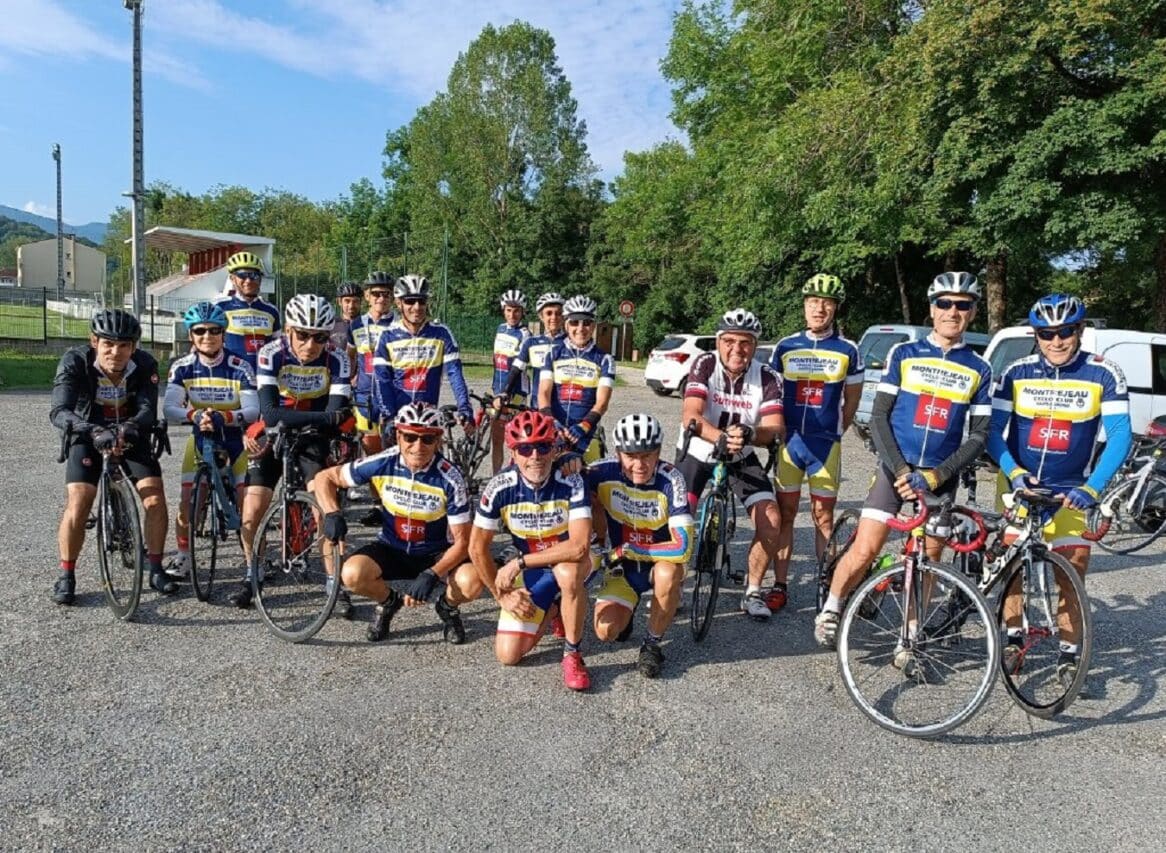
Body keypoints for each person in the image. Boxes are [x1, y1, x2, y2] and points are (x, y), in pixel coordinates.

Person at [814, 272, 993, 654]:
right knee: (866, 548)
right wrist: (900, 471)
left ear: (973, 312)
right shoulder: (905, 354)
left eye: (962, 305)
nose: (952, 311)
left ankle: (910, 634)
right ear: (932, 309)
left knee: (928, 559)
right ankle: (831, 608)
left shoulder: (980, 368)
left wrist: (936, 476)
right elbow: (878, 417)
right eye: (945, 303)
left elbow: (978, 436)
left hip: (939, 477)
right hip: (894, 469)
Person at [987, 293, 1131, 683]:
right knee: (1013, 566)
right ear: (1035, 334)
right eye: (1046, 333)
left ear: (1079, 331)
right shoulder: (1016, 373)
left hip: (1072, 489)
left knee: (1071, 571)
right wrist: (1013, 471)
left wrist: (1095, 487)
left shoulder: (1104, 373)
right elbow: (992, 434)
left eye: (1065, 331)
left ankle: (1069, 655)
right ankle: (1013, 637)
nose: (1056, 341)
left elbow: (1119, 434)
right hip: (1021, 484)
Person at [314, 403, 483, 644]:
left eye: (427, 439)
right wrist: (332, 513)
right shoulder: (384, 462)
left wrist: (432, 574)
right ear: (398, 436)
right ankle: (388, 602)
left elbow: (464, 541)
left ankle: (448, 608)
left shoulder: (450, 478)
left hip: (435, 553)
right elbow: (325, 478)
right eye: (410, 437)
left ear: (439, 440)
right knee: (351, 574)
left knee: (471, 581)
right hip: (392, 548)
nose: (417, 446)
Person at [230, 293, 353, 608]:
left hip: (313, 439)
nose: (310, 345)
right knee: (252, 510)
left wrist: (325, 419)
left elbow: (339, 414)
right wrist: (324, 416)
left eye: (320, 337)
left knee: (324, 509)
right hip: (273, 435)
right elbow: (271, 413)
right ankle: (250, 572)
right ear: (288, 330)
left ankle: (333, 583)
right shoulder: (271, 353)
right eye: (303, 335)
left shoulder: (337, 358)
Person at [49, 308, 175, 603]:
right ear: (95, 341)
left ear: (134, 347)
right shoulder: (75, 362)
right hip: (87, 433)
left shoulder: (144, 364)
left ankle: (156, 568)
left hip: (130, 433)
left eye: (123, 345)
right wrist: (92, 431)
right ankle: (67, 574)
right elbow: (60, 410)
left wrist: (129, 428)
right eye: (108, 344)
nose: (115, 352)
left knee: (155, 499)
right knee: (79, 503)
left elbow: (147, 409)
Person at [469, 411, 593, 691]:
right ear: (513, 453)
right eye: (525, 448)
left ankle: (572, 653)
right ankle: (555, 608)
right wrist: (502, 596)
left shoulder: (570, 479)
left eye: (543, 446)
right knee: (508, 655)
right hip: (535, 569)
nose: (534, 455)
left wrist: (519, 563)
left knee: (567, 571)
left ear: (554, 448)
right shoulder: (501, 486)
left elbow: (579, 547)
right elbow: (476, 548)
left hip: (573, 562)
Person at [675, 308, 786, 621]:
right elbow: (691, 415)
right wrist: (719, 436)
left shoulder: (767, 377)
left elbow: (775, 427)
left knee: (771, 520)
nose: (737, 349)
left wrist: (751, 433)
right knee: (680, 518)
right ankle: (676, 584)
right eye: (730, 341)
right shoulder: (704, 364)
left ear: (754, 346)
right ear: (719, 341)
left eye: (746, 342)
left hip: (740, 453)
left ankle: (752, 591)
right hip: (699, 450)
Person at [768, 273, 863, 612]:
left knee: (824, 517)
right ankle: (780, 584)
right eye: (812, 302)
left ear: (835, 308)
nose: (818, 309)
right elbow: (771, 394)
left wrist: (836, 429)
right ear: (804, 307)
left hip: (825, 444)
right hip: (790, 442)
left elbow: (852, 401)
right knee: (787, 515)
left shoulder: (848, 349)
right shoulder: (786, 346)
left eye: (826, 303)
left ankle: (828, 584)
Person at [586, 413, 693, 678]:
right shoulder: (602, 471)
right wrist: (567, 461)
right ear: (619, 453)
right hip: (623, 568)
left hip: (659, 562)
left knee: (669, 573)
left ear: (658, 452)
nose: (639, 464)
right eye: (631, 456)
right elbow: (562, 483)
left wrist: (634, 550)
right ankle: (629, 606)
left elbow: (683, 547)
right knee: (607, 632)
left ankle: (652, 644)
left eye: (647, 455)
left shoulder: (672, 479)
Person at [162, 302, 258, 579]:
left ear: (223, 334)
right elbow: (170, 409)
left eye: (214, 330)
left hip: (234, 440)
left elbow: (253, 410)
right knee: (188, 501)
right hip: (200, 437)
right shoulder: (182, 367)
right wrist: (194, 415)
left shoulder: (239, 366)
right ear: (191, 335)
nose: (207, 336)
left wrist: (225, 417)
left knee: (247, 505)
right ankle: (183, 556)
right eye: (200, 330)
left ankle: (254, 561)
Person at [371, 274, 473, 431]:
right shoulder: (387, 336)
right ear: (399, 303)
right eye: (410, 301)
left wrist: (464, 408)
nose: (417, 307)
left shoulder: (441, 333)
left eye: (422, 301)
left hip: (429, 416)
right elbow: (382, 380)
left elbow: (455, 373)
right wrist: (389, 415)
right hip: (399, 417)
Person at [537, 295, 615, 465]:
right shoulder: (552, 354)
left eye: (586, 322)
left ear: (593, 325)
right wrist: (551, 422)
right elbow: (543, 393)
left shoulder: (604, 359)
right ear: (566, 324)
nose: (581, 328)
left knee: (593, 487)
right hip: (555, 433)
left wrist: (584, 426)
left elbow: (602, 403)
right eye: (574, 322)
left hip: (587, 435)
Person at [348, 271, 398, 524]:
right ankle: (378, 504)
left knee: (395, 450)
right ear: (367, 296)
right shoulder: (356, 325)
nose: (381, 298)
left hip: (391, 396)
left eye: (386, 294)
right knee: (371, 451)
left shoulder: (398, 325)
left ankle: (395, 504)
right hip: (365, 397)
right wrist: (349, 382)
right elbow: (350, 357)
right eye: (376, 293)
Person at [213, 251, 280, 371]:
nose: (248, 281)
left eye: (254, 275)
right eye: (242, 275)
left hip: (264, 376)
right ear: (232, 279)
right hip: (232, 376)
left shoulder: (272, 310)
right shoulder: (220, 307)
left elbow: (279, 347)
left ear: (260, 278)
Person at [489, 289, 532, 473]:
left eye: (516, 310)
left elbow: (517, 367)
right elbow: (496, 359)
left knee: (516, 440)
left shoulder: (525, 334)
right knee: (496, 438)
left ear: (522, 312)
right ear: (503, 310)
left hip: (515, 393)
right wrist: (496, 390)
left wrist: (506, 392)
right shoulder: (500, 329)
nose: (512, 314)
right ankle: (495, 476)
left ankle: (517, 475)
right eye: (508, 310)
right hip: (497, 390)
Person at [331, 281, 363, 371]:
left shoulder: (367, 325)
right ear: (339, 302)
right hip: (335, 378)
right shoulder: (330, 325)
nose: (351, 305)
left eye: (355, 301)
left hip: (361, 380)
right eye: (347, 301)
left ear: (361, 302)